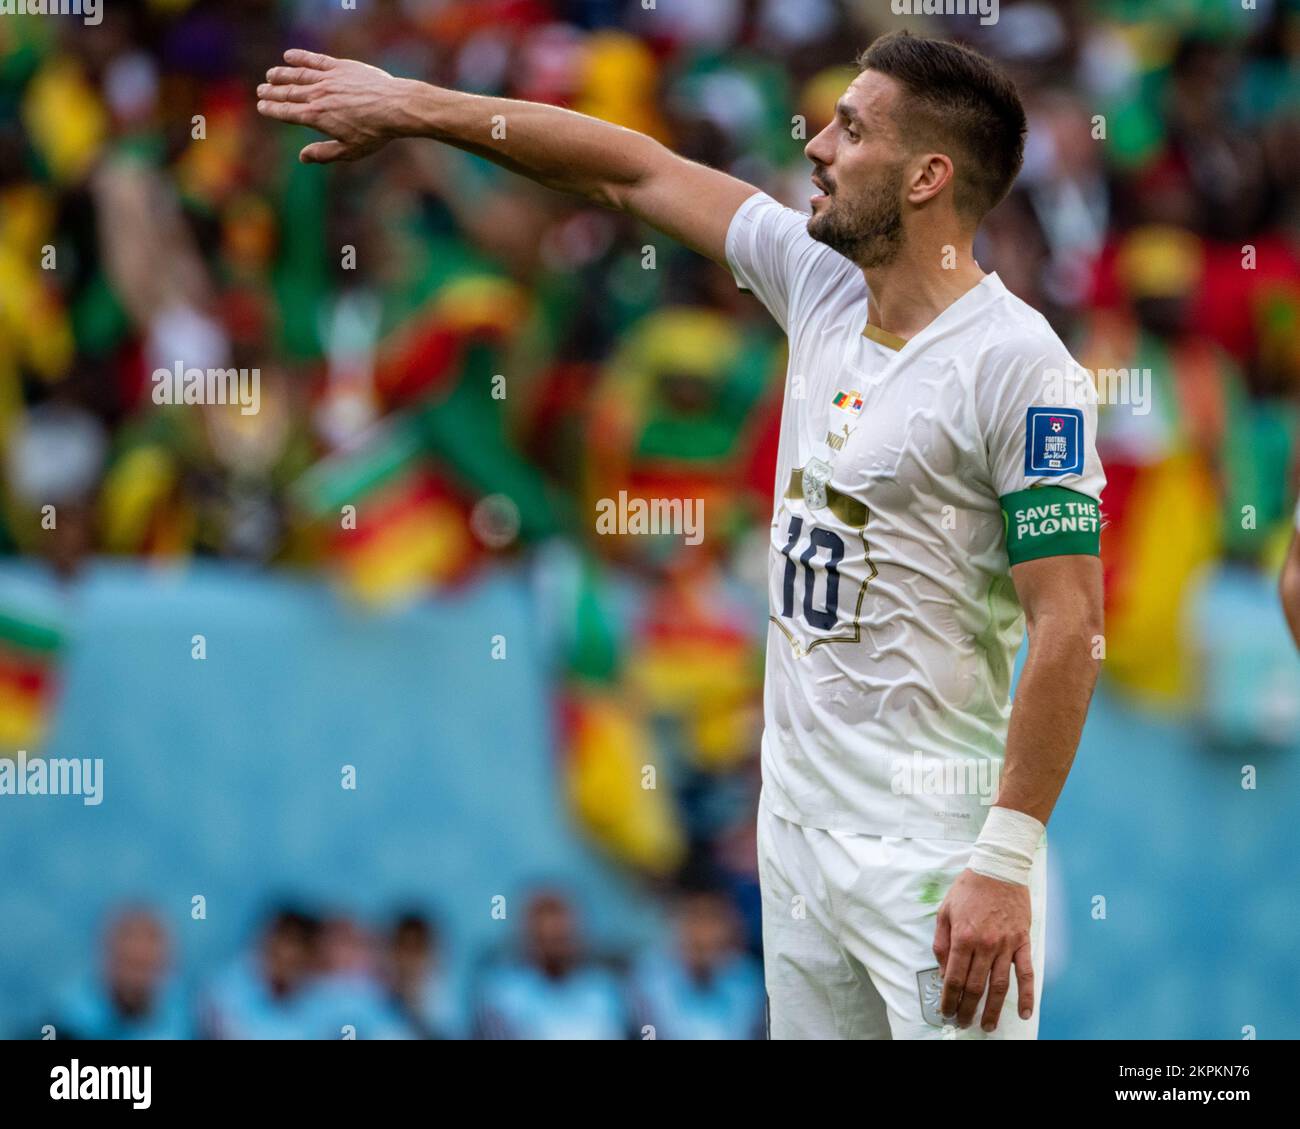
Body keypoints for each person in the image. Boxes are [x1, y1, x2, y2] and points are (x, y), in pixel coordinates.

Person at [257, 28, 1106, 1040]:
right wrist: (408, 105)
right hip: (795, 845)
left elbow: (1070, 622)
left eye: (850, 128)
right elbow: (629, 169)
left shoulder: (1021, 368)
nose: (816, 148)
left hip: (936, 857)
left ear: (927, 176)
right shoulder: (819, 284)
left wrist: (1005, 861)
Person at [52, 907, 190, 1040]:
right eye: (131, 964)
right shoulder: (68, 1027)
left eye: (145, 967)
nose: (137, 981)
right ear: (107, 960)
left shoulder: (191, 1021)